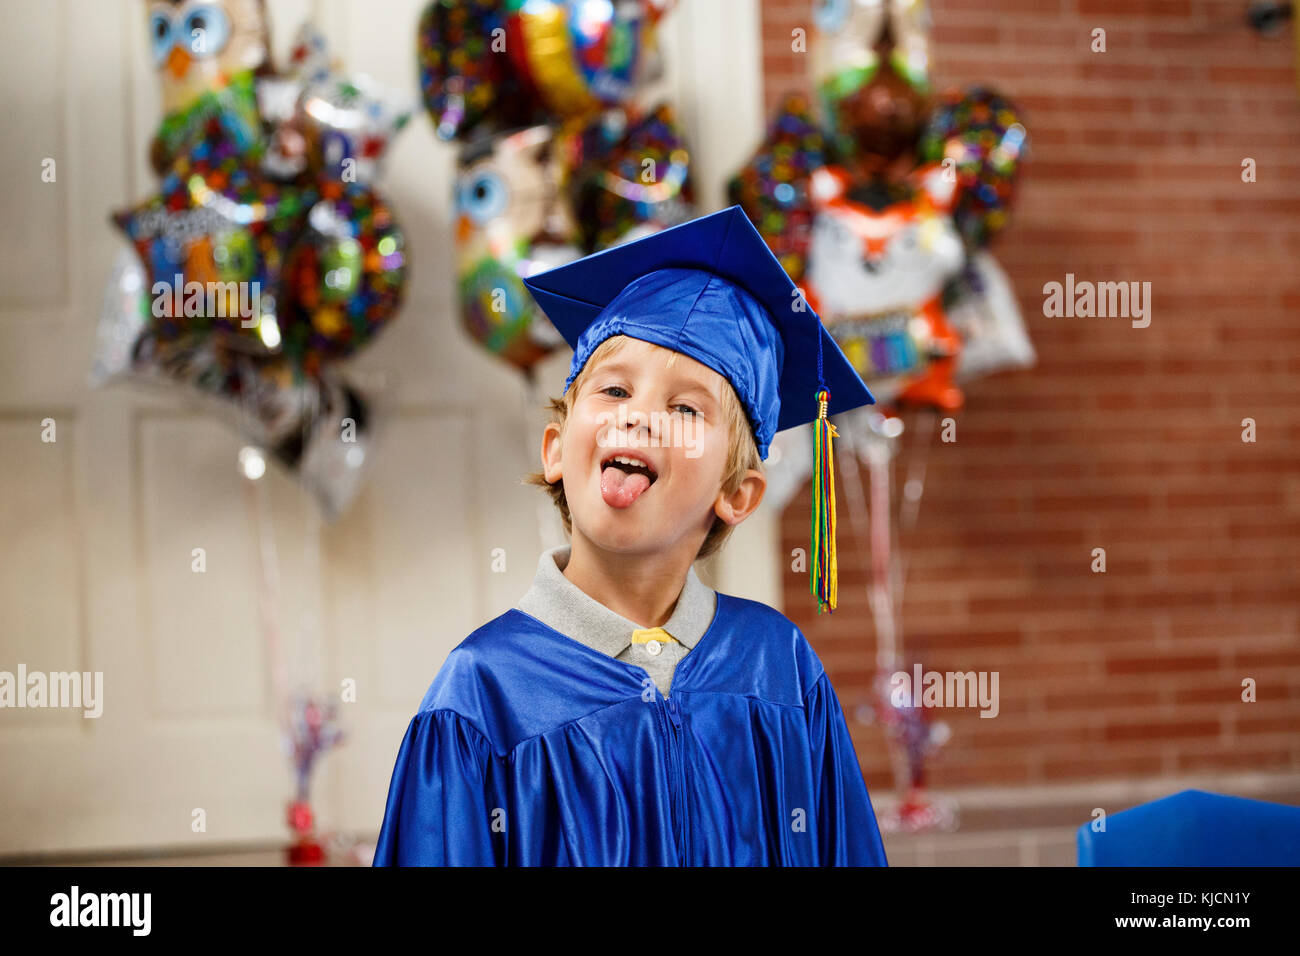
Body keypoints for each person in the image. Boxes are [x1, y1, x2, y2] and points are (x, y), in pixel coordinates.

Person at [373, 205, 888, 865]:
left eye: (684, 407)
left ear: (737, 495)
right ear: (557, 449)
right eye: (614, 390)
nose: (639, 418)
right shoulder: (483, 695)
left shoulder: (777, 668)